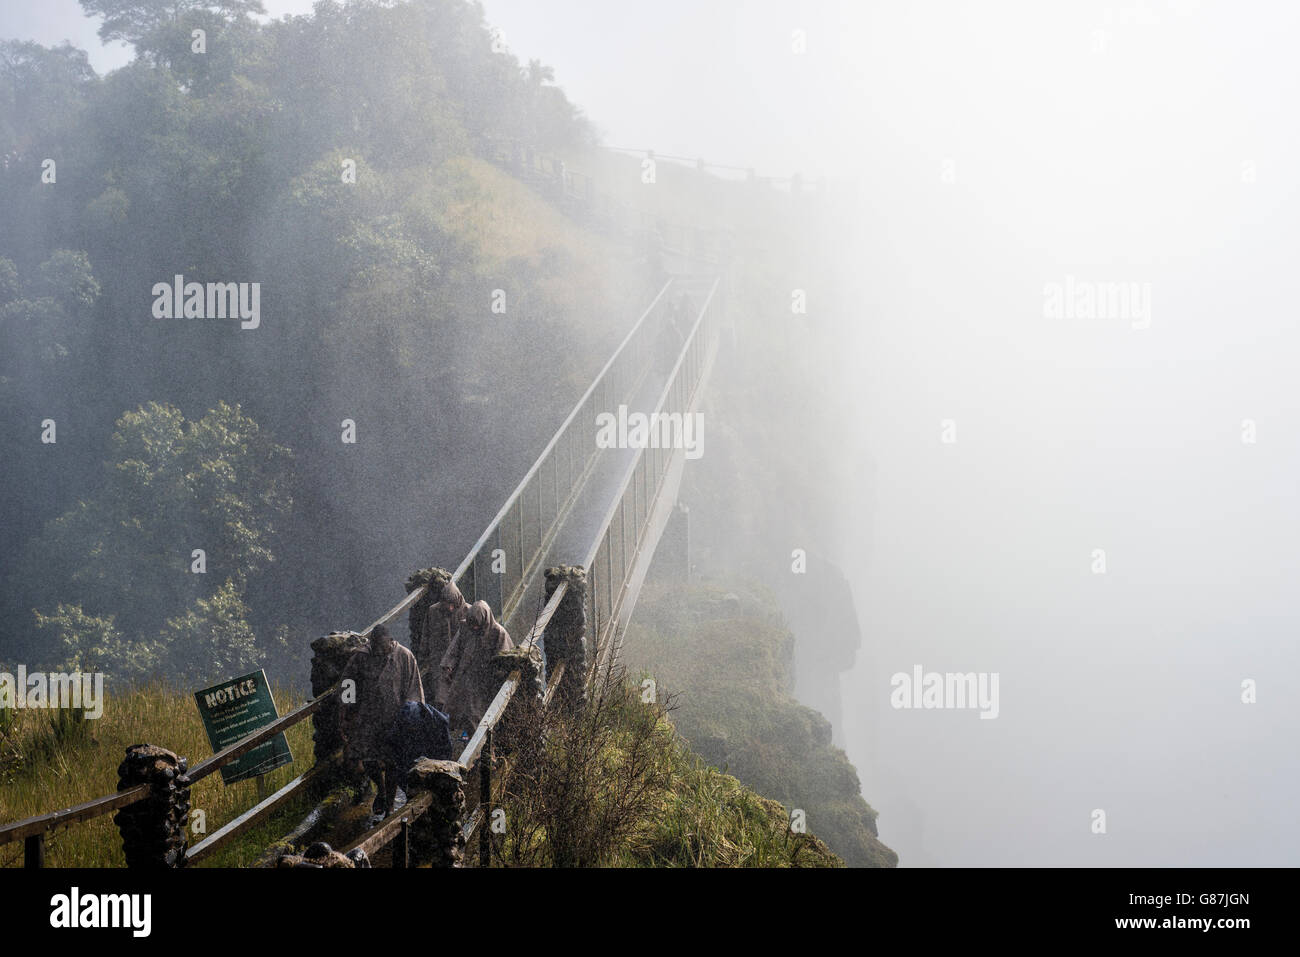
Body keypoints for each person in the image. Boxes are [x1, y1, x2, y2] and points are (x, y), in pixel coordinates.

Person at [338, 623, 424, 819]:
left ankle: (390, 806)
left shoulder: (404, 656)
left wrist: (412, 715)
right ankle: (382, 790)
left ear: (390, 643)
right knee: (367, 758)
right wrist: (346, 714)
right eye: (376, 648)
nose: (380, 652)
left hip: (394, 720)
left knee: (392, 761)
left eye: (383, 648)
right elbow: (348, 685)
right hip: (367, 720)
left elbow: (414, 689)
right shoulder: (361, 658)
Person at [438, 600, 514, 739]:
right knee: (454, 710)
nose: (473, 628)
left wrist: (496, 676)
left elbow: (504, 659)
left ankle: (479, 747)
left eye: (476, 625)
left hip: (486, 681)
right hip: (465, 676)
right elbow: (454, 648)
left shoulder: (498, 633)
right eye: (471, 624)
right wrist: (449, 665)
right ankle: (457, 740)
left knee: (478, 714)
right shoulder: (465, 627)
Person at [416, 582, 468, 701]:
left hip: (460, 661)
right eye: (447, 604)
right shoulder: (433, 611)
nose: (450, 608)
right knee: (441, 697)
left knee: (459, 696)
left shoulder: (467, 612)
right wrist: (423, 658)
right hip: (439, 661)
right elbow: (426, 636)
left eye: (453, 604)